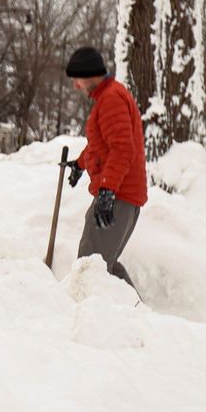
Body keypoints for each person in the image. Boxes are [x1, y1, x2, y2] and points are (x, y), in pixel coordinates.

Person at [65, 46, 148, 285]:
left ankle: (126, 318)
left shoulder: (111, 99)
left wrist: (107, 192)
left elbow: (123, 150)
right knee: (104, 268)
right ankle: (138, 315)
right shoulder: (108, 97)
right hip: (120, 195)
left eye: (77, 79)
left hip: (118, 196)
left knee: (90, 268)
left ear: (90, 75)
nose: (76, 86)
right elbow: (102, 145)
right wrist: (80, 164)